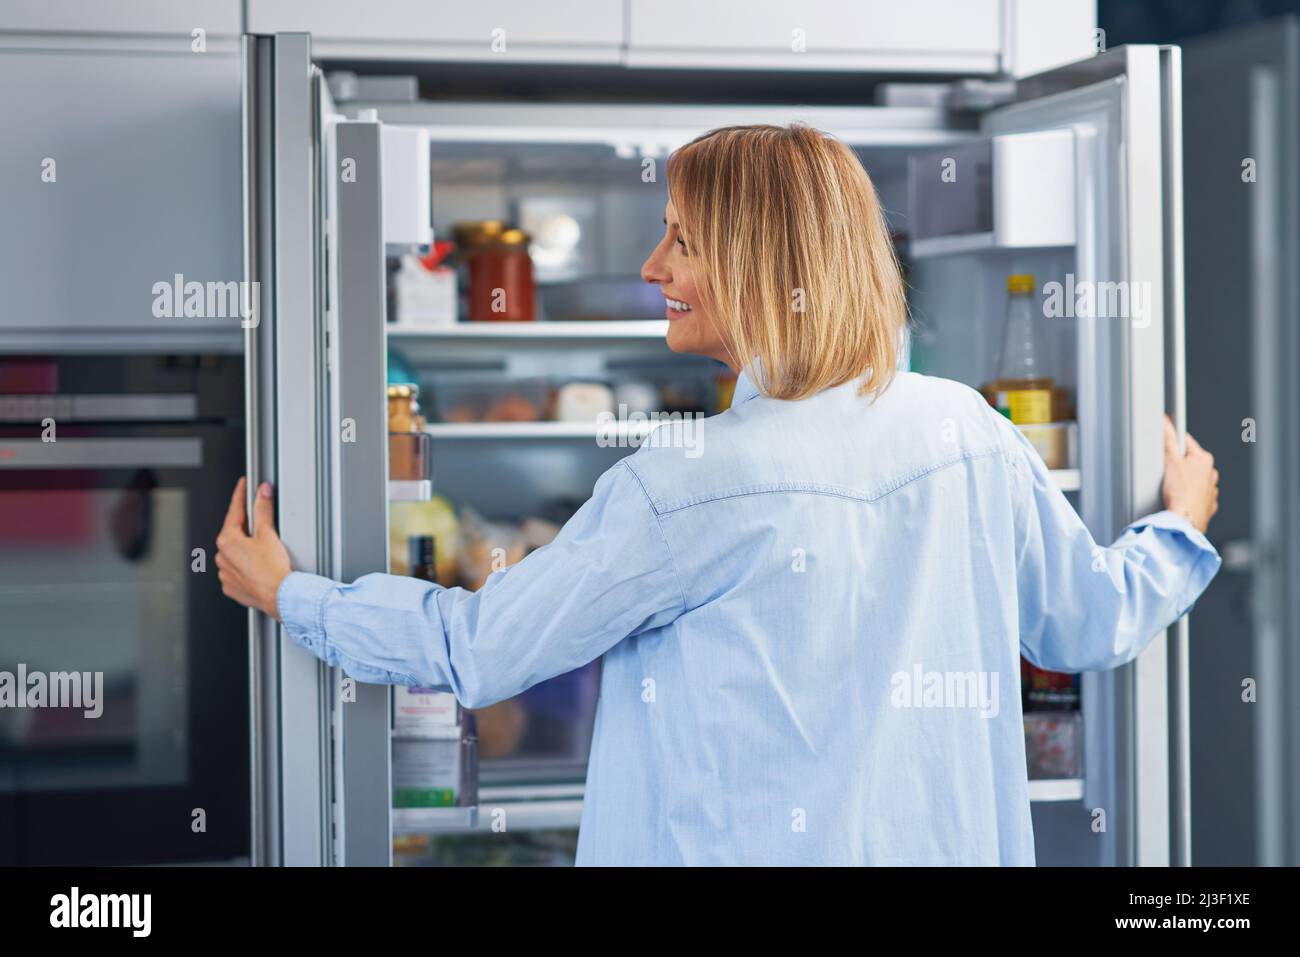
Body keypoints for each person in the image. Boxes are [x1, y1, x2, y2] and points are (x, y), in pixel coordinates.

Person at [215, 124, 1221, 866]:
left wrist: (288, 593)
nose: (652, 267)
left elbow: (474, 652)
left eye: (681, 242)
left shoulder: (681, 488)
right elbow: (1090, 620)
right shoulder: (967, 431)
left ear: (762, 266)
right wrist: (1174, 529)